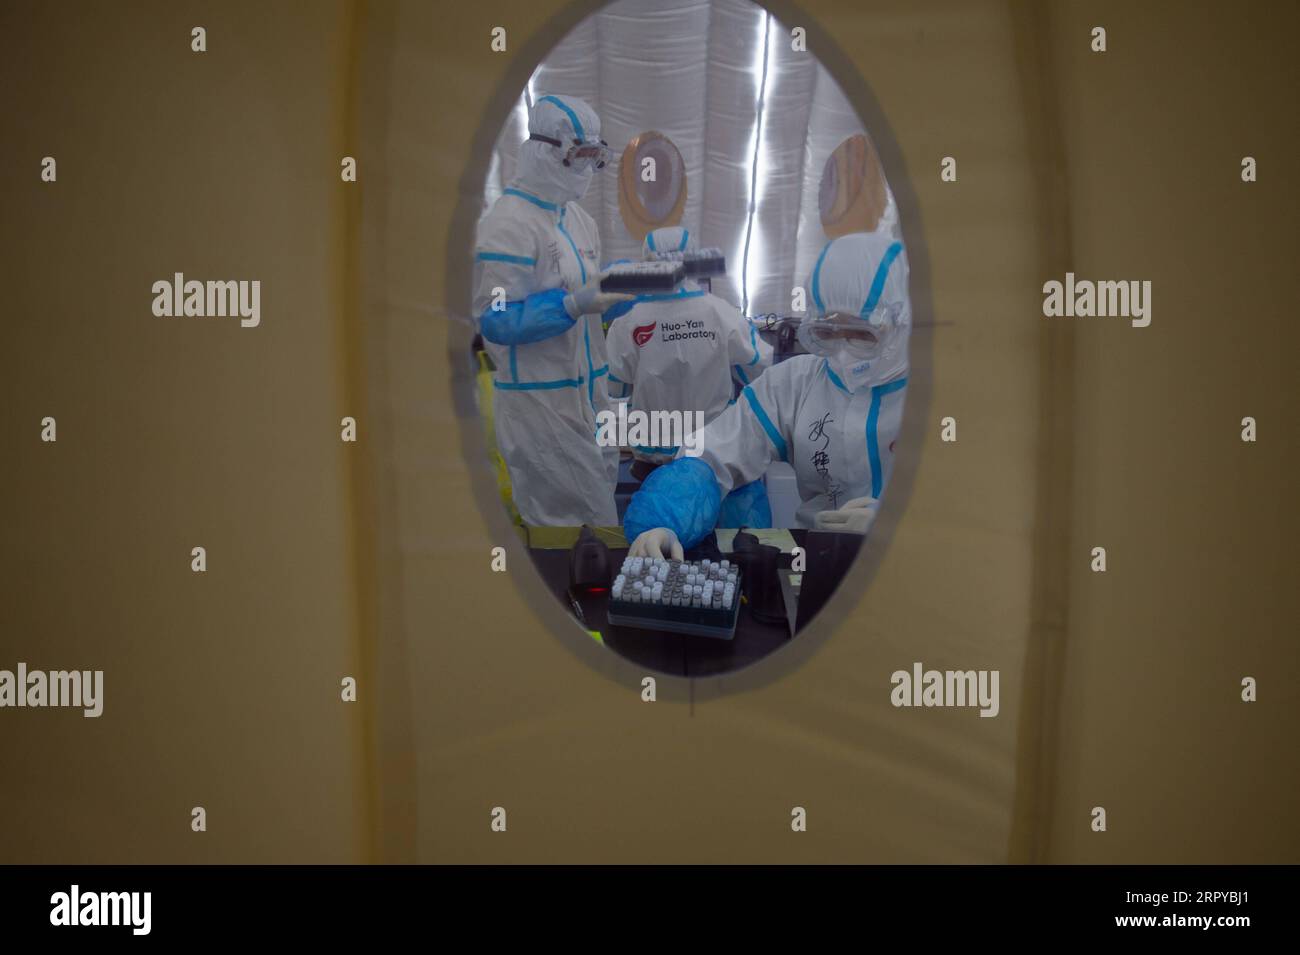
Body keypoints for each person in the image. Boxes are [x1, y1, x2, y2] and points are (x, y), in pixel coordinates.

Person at [623, 229, 910, 559]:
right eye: (828, 333)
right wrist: (663, 520)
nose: (843, 353)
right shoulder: (795, 384)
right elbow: (712, 455)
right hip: (817, 562)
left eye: (862, 334)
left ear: (904, 322)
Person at [472, 95, 633, 526]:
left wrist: (631, 284)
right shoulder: (507, 223)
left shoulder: (577, 220)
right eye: (577, 156)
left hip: (590, 393)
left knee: (600, 512)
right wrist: (569, 305)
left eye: (594, 157)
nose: (585, 170)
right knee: (576, 529)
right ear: (545, 151)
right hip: (541, 404)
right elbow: (494, 317)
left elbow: (588, 293)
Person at [605, 226, 772, 477]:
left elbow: (615, 387)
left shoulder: (628, 322)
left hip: (653, 455)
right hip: (712, 450)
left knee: (658, 514)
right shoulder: (721, 312)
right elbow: (758, 369)